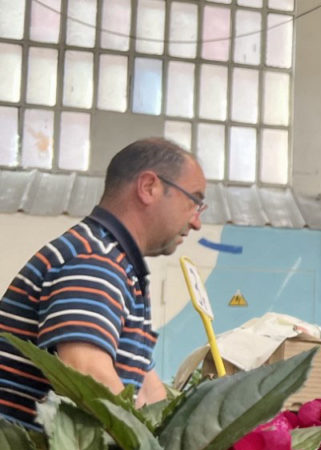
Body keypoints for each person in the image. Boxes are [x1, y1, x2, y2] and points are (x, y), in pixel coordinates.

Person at [0, 138, 206, 428]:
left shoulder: (119, 265)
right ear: (149, 187)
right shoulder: (94, 260)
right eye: (194, 202)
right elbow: (87, 373)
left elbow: (146, 391)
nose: (197, 222)